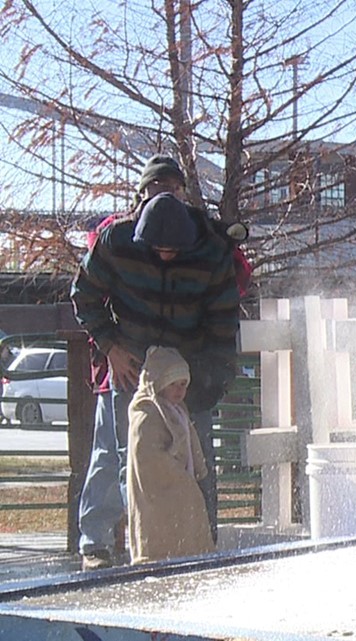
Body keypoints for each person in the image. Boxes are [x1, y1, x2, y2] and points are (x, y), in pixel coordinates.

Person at [72, 156, 241, 569]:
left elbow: (222, 324)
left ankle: (201, 545)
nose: (165, 255)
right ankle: (115, 547)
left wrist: (202, 382)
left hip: (186, 369)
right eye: (157, 249)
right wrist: (110, 346)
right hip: (130, 364)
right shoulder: (114, 242)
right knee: (120, 455)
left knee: (196, 456)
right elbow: (84, 296)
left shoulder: (212, 251)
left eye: (173, 250)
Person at [127, 346, 215, 564]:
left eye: (183, 385)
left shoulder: (178, 410)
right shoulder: (146, 414)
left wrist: (198, 471)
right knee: (161, 539)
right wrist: (176, 475)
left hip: (182, 486)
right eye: (172, 384)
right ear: (157, 382)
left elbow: (190, 438)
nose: (178, 390)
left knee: (185, 535)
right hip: (159, 493)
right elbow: (146, 456)